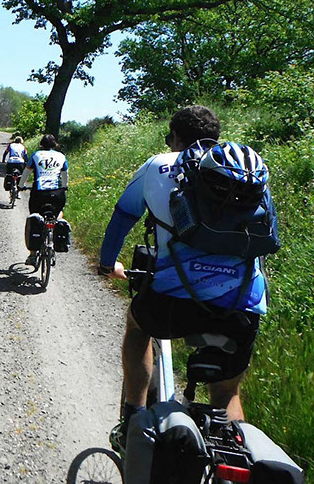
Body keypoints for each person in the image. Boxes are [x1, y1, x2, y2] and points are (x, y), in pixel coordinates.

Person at [97, 105, 271, 453]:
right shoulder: (246, 173)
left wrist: (106, 264)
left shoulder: (158, 165)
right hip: (242, 307)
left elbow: (123, 216)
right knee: (227, 391)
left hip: (172, 304)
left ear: (175, 137)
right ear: (215, 138)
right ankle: (233, 461)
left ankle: (132, 417)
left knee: (137, 327)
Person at [19, 134, 68, 266]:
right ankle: (57, 227)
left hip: (39, 193)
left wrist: (21, 185)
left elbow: (26, 172)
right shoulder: (61, 156)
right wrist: (65, 186)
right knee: (58, 211)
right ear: (54, 145)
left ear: (41, 144)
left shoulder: (36, 155)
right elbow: (65, 175)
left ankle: (32, 255)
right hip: (57, 193)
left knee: (35, 218)